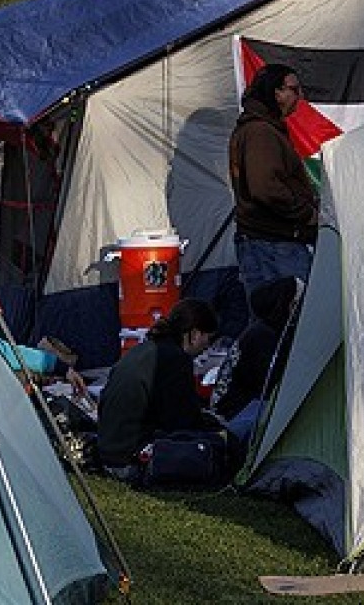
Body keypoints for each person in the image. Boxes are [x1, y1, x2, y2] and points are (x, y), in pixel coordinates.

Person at [96, 298, 227, 481]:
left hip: (109, 449)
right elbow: (180, 420)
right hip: (132, 457)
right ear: (195, 334)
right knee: (217, 445)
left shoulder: (145, 350)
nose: (207, 346)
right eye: (208, 338)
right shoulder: (175, 359)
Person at [228, 63, 318, 300]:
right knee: (286, 320)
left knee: (275, 322)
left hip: (270, 244)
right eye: (294, 90)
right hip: (272, 246)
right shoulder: (260, 132)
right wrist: (306, 213)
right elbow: (265, 187)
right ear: (276, 93)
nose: (299, 97)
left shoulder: (263, 129)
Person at [211, 277, 303, 444]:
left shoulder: (261, 331)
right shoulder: (264, 337)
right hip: (238, 411)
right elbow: (271, 383)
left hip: (233, 406)